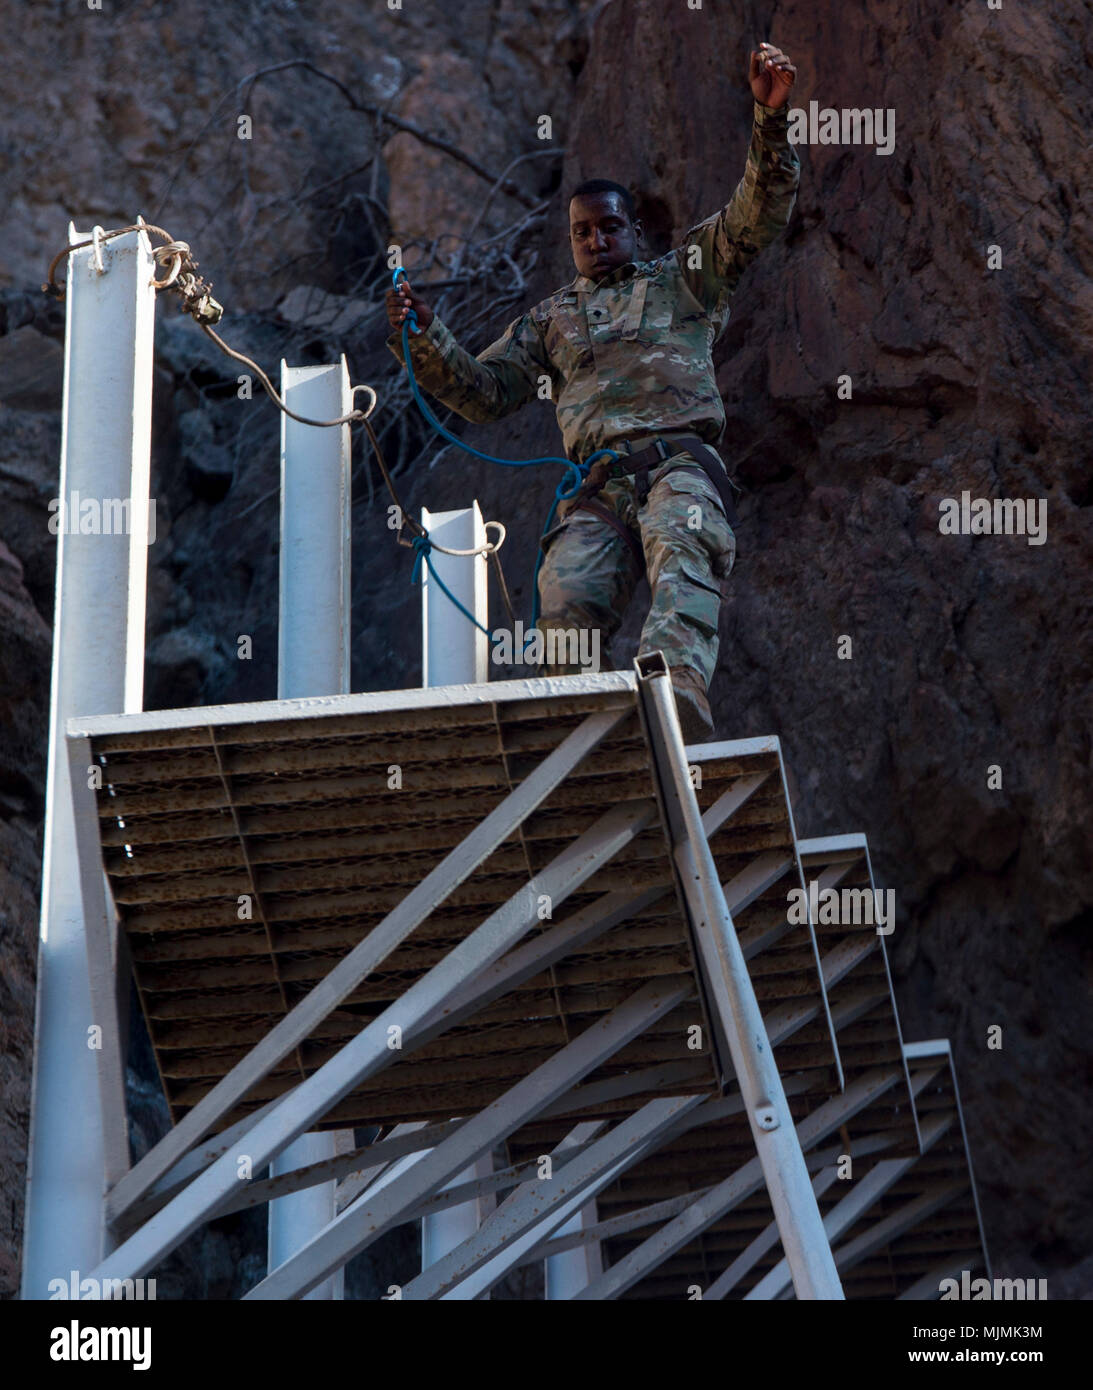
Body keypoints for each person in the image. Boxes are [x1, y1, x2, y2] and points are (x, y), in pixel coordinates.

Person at [386, 42, 798, 739]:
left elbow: (753, 216)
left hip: (678, 465)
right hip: (599, 484)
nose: (597, 240)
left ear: (633, 229)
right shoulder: (550, 320)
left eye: (609, 226)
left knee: (682, 543)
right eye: (582, 232)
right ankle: (574, 730)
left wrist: (769, 118)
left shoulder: (683, 279)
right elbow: (483, 392)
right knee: (565, 590)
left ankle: (673, 694)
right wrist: (429, 338)